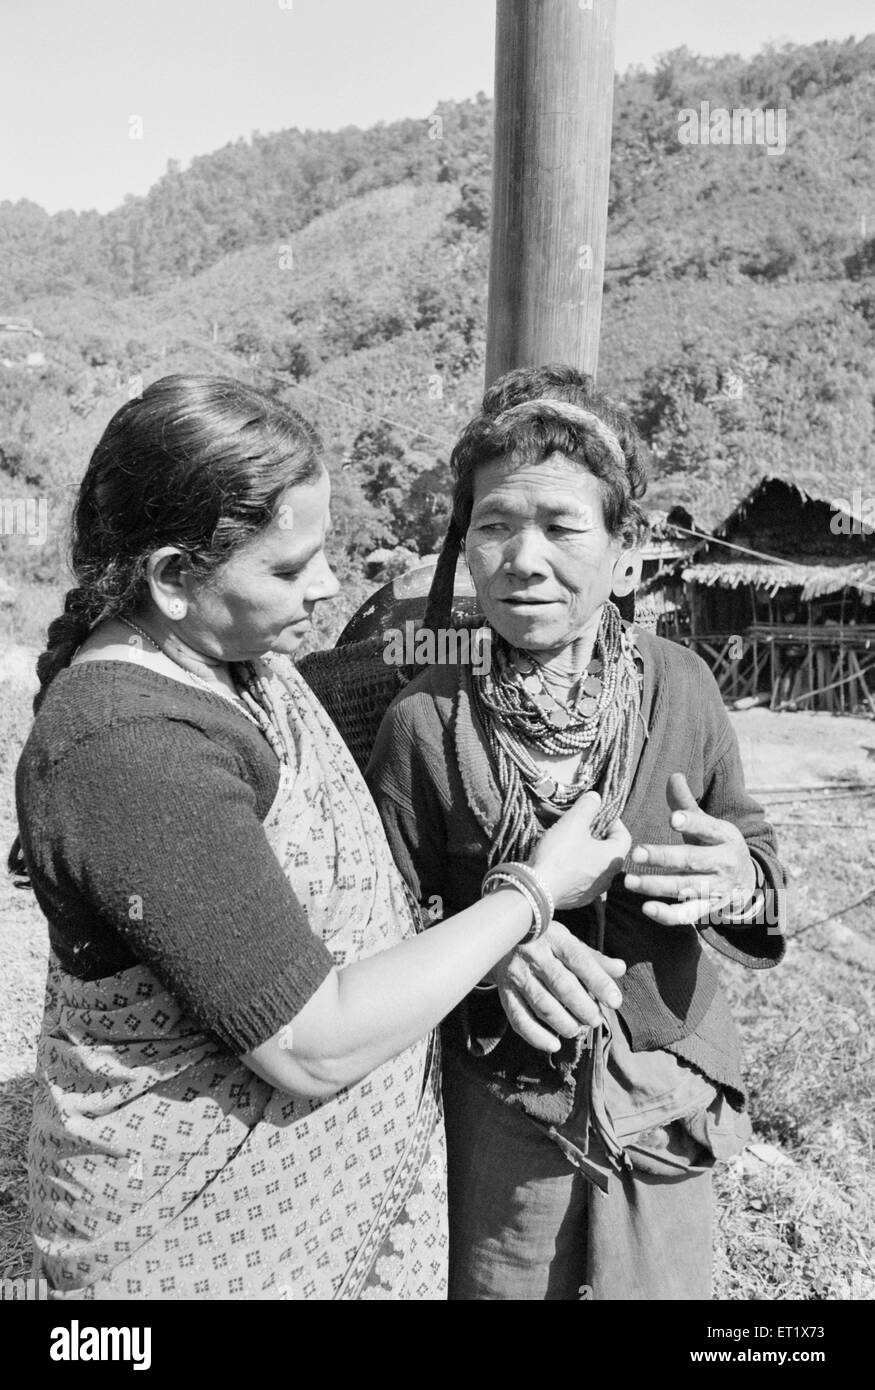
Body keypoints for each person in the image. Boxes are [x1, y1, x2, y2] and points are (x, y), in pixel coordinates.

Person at [11, 374, 630, 1301]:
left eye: (323, 552)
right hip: (200, 1256)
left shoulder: (245, 669)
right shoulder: (128, 748)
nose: (330, 586)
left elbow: (387, 679)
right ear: (174, 577)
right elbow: (309, 1042)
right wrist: (529, 898)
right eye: (291, 569)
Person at [366, 365, 787, 1301]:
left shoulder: (679, 686)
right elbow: (378, 929)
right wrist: (494, 950)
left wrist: (739, 880)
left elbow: (751, 846)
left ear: (620, 543)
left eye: (560, 527)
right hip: (504, 1100)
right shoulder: (425, 722)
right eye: (493, 527)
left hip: (664, 1087)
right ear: (463, 544)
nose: (523, 559)